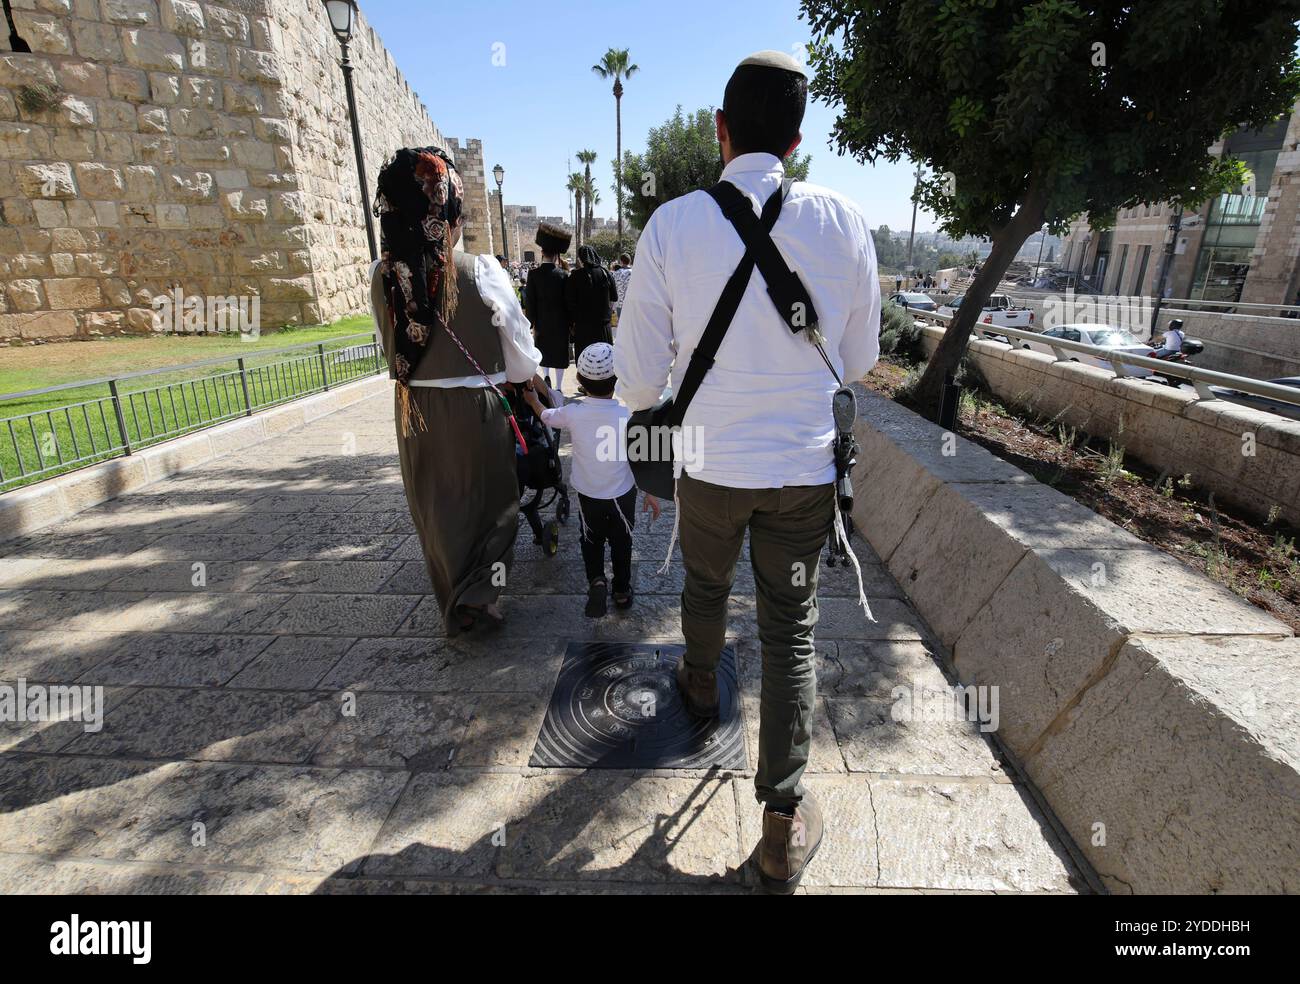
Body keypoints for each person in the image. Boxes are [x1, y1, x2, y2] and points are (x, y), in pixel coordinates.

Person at [613, 50, 880, 893]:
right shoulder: (845, 222)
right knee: (789, 629)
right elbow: (861, 358)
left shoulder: (672, 225)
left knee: (703, 582)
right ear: (798, 140)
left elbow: (634, 381)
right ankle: (781, 820)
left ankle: (698, 683)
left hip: (707, 465)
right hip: (802, 473)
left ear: (719, 130)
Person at [369, 147, 542, 636]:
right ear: (444, 210)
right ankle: (481, 597)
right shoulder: (482, 270)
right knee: (492, 500)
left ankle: (454, 594)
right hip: (475, 407)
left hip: (414, 410)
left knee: (437, 503)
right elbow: (521, 353)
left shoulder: (379, 277)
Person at [521, 342, 661, 616]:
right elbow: (644, 460)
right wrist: (651, 492)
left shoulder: (573, 413)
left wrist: (533, 400)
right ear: (617, 379)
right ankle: (621, 591)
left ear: (581, 381)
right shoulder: (626, 416)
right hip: (622, 495)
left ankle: (596, 580)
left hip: (588, 495)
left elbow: (547, 416)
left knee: (591, 539)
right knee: (623, 542)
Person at [525, 223, 573, 393]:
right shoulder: (564, 275)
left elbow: (529, 301)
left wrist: (531, 323)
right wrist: (570, 322)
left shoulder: (533, 274)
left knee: (543, 351)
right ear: (556, 256)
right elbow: (569, 301)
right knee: (559, 353)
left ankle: (546, 379)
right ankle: (559, 387)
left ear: (542, 253)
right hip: (560, 322)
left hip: (542, 321)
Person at [566, 244, 618, 355]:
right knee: (605, 361)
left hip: (583, 328)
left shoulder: (575, 276)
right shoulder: (606, 273)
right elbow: (614, 297)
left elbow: (570, 303)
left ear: (581, 259)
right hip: (603, 326)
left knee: (585, 362)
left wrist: (571, 324)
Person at [611, 251, 634, 326]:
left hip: (619, 303)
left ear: (621, 261)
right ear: (630, 261)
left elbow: (613, 288)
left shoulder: (616, 273)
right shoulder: (634, 272)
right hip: (631, 302)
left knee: (621, 325)